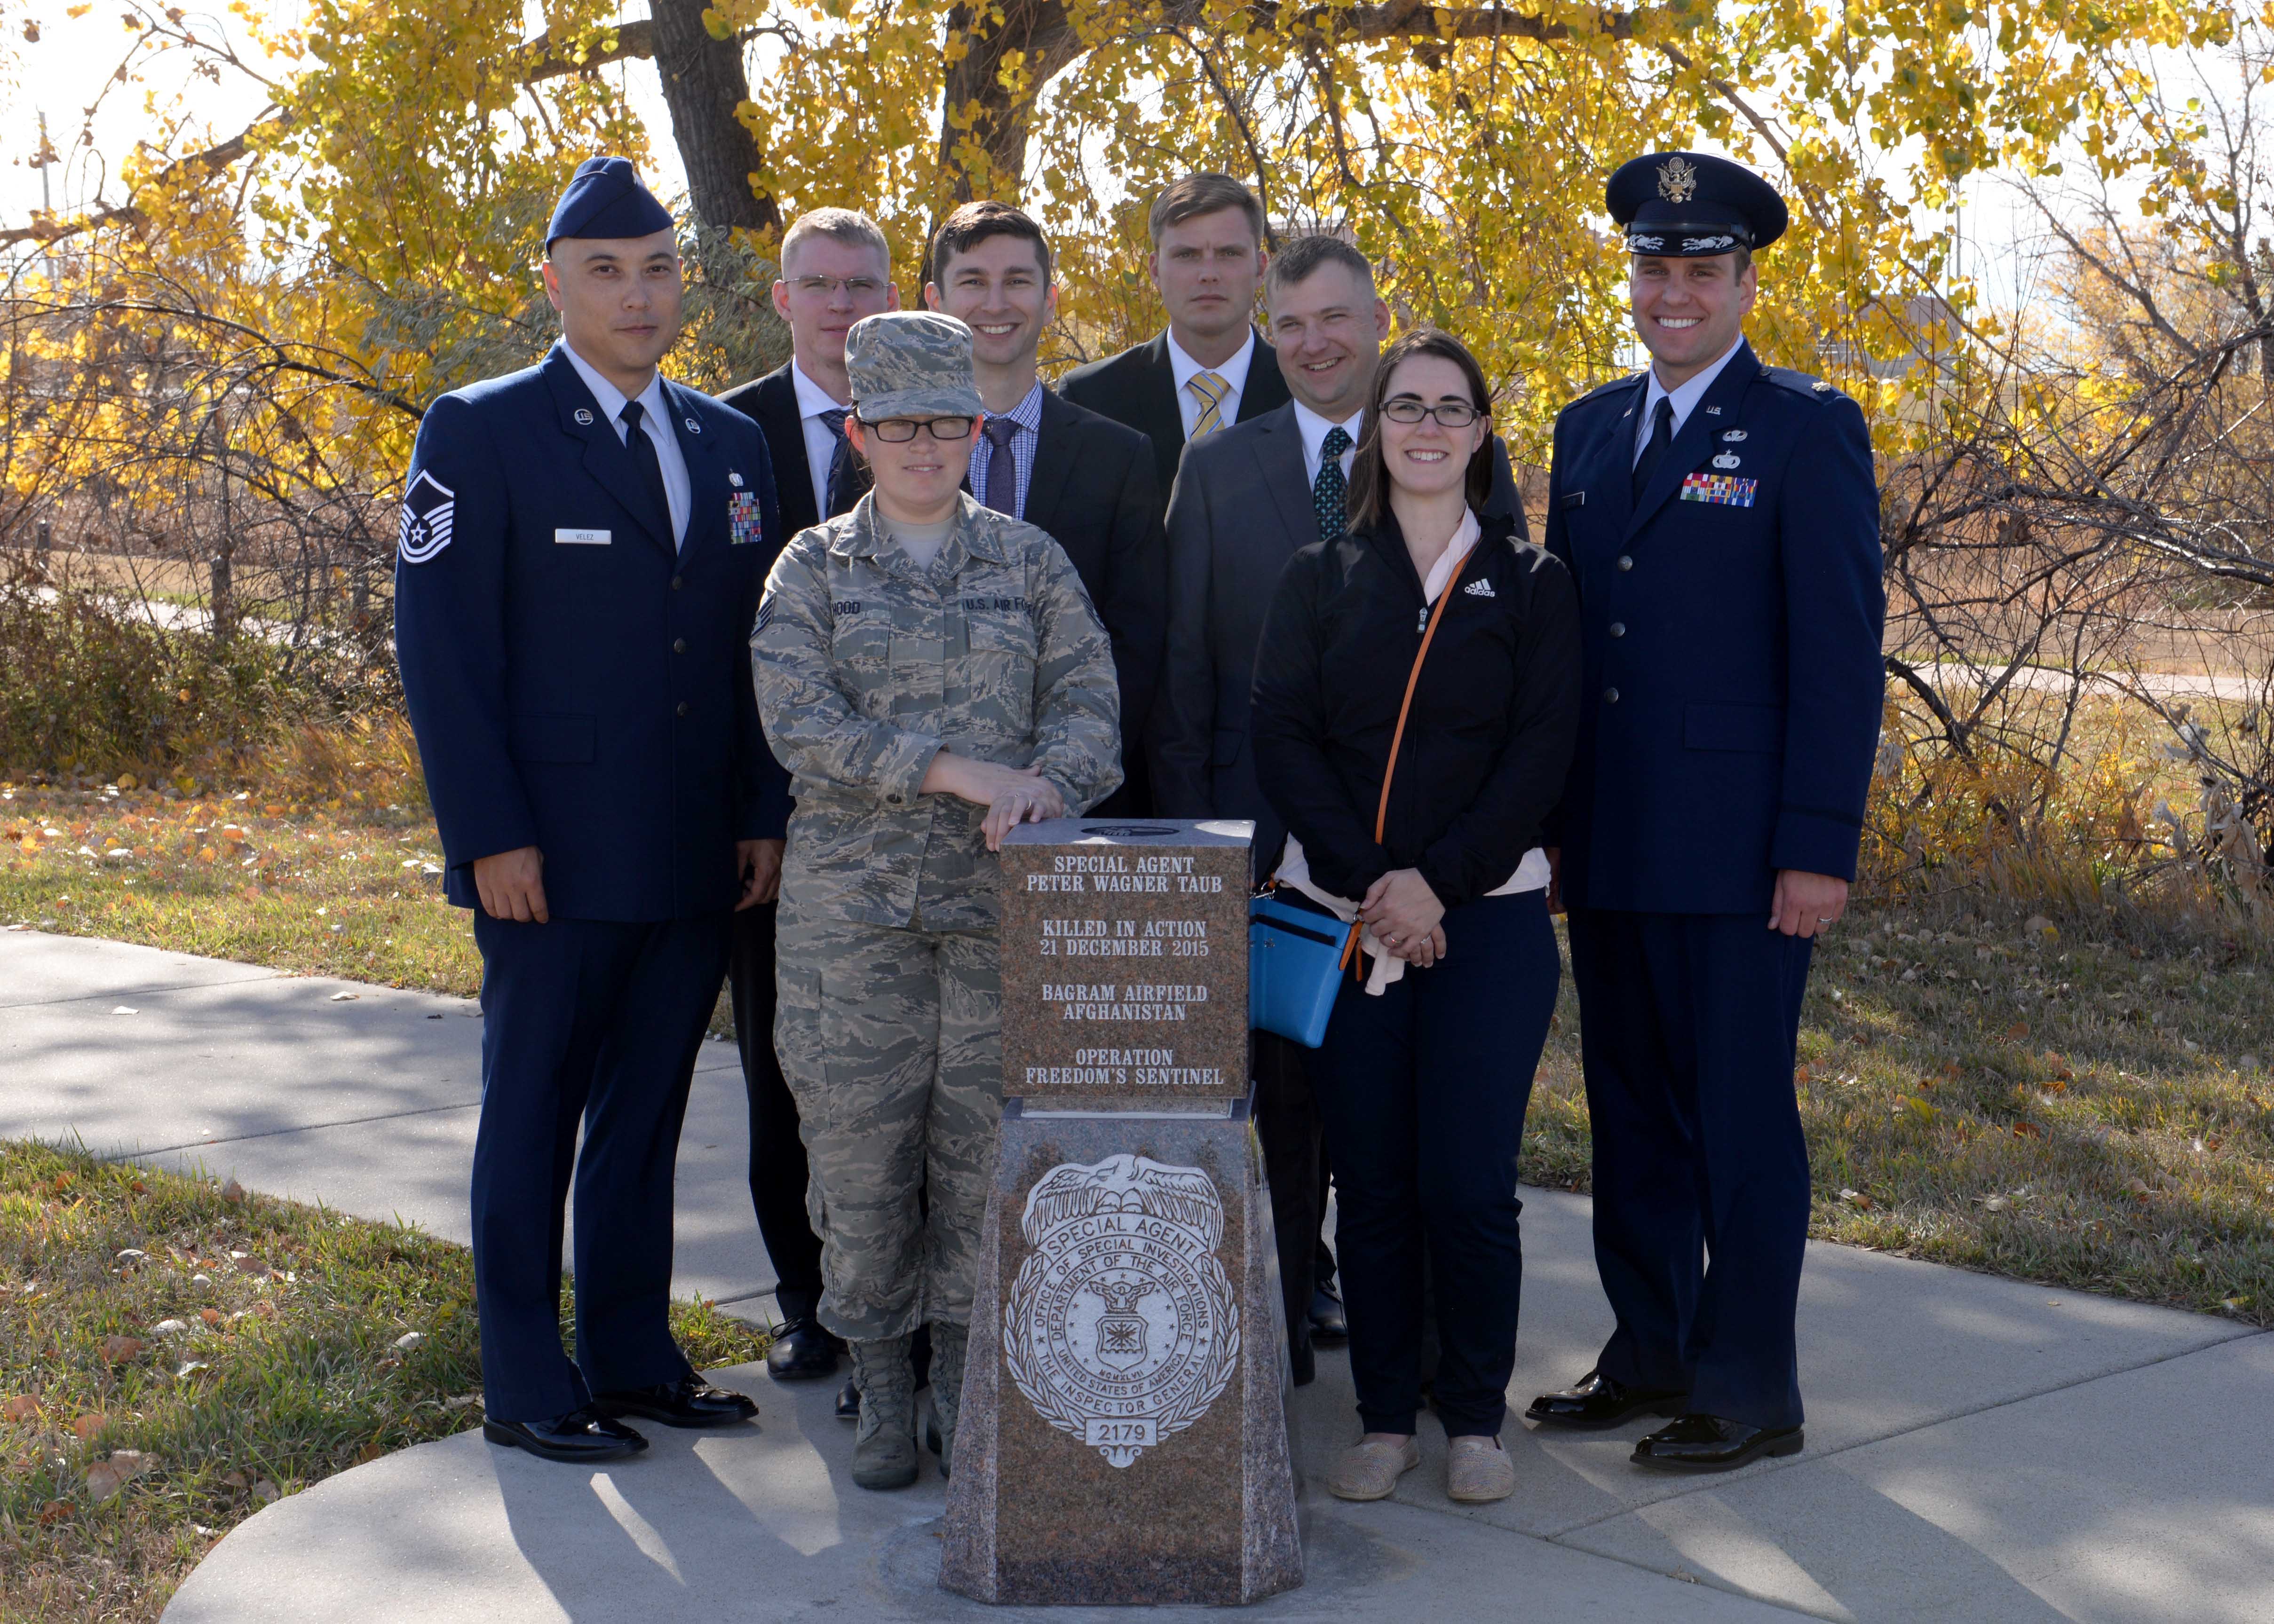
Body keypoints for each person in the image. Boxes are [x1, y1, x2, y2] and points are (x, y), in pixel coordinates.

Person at [393, 156, 778, 1463]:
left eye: (658, 267)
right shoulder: (480, 427)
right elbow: (442, 653)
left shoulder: (731, 441)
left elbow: (744, 651)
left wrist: (758, 810)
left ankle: (629, 1351)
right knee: (534, 1110)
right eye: (607, 269)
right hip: (545, 855)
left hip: (688, 848)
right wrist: (486, 833)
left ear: (687, 285)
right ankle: (523, 1377)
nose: (637, 292)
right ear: (553, 282)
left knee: (649, 1110)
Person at [1525, 152, 1885, 1471]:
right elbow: (1571, 642)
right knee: (1629, 1107)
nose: (1670, 292)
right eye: (1650, 267)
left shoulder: (1806, 428)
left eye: (1698, 270)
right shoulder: (1588, 427)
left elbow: (1840, 656)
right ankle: (1652, 1346)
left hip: (1742, 853)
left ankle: (1749, 1385)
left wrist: (1816, 845)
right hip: (1613, 836)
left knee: (1737, 1116)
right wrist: (1553, 826)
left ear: (1743, 282)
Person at [752, 311, 1122, 1490]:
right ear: (858, 433)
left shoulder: (1028, 562)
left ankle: (961, 1381)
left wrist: (1051, 783)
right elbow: (800, 721)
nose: (923, 447)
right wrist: (957, 768)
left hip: (993, 916)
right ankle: (879, 1378)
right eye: (899, 426)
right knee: (857, 1161)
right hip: (847, 926)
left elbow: (1090, 705)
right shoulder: (810, 567)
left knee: (981, 1160)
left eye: (946, 425)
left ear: (976, 429)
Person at [1152, 233, 1529, 1384]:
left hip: (1414, 869)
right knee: (1280, 1114)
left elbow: (1500, 670)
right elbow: (1184, 684)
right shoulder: (1217, 468)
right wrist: (1199, 851)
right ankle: (1270, 1338)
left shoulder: (1459, 450)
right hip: (1262, 853)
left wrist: (1441, 863)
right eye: (1291, 322)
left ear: (1376, 322)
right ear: (1270, 335)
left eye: (1336, 318)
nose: (1314, 341)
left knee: (1401, 1121)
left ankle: (1412, 1345)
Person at [1250, 328, 1580, 1505]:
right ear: (1375, 431)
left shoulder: (1533, 583)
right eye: (1405, 407)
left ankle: (1473, 1418)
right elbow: (1281, 737)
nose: (1427, 426)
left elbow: (1541, 755)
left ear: (1483, 432)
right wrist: (1374, 886)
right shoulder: (1318, 575)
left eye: (1451, 407)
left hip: (1482, 922)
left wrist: (1435, 884)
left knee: (1468, 1183)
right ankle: (1384, 1414)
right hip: (1347, 923)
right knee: (1375, 1182)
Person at [713, 207, 900, 1394]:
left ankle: (904, 1300)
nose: (841, 306)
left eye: (863, 284)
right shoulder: (723, 429)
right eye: (819, 286)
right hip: (777, 824)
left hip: (916, 822)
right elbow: (705, 640)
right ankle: (805, 1301)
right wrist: (754, 809)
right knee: (785, 1069)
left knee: (903, 1071)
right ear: (783, 300)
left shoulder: (932, 420)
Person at [923, 200, 1166, 817]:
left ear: (1050, 298)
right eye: (973, 282)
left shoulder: (1120, 456)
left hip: (1076, 806)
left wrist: (1063, 775)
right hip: (927, 812)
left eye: (1018, 281)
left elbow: (1135, 642)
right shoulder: (893, 450)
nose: (996, 303)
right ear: (934, 301)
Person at [1058, 173, 1291, 504]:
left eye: (1229, 254)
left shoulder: (1301, 391)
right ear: (1154, 270)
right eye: (1187, 255)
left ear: (1260, 268)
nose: (1208, 273)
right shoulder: (1091, 398)